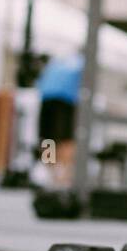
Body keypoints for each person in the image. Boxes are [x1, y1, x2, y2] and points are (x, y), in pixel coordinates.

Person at [35, 52, 84, 187]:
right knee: (66, 138)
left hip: (47, 98)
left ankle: (51, 173)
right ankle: (63, 173)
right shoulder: (80, 63)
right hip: (65, 100)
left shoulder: (56, 61)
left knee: (48, 138)